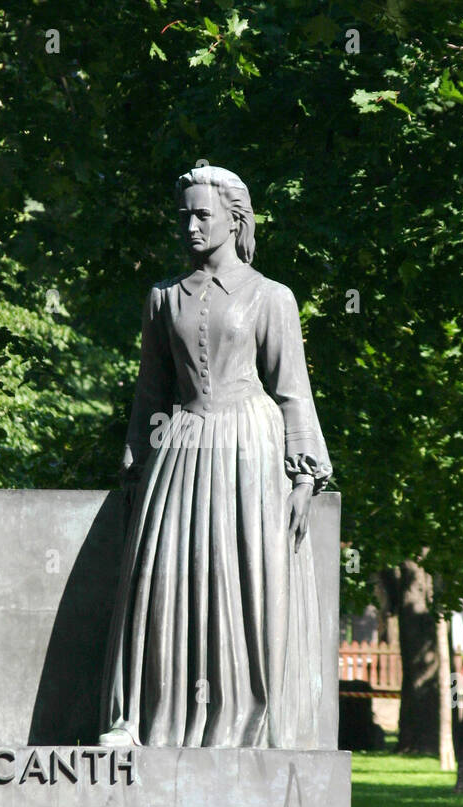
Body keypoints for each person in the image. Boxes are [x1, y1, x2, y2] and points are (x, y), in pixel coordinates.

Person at [99, 165, 332, 748]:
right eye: (185, 216)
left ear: (235, 219)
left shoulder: (271, 298)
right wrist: (134, 463)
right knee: (165, 578)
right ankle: (151, 717)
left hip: (250, 449)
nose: (192, 226)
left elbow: (292, 390)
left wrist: (304, 476)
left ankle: (240, 716)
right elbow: (150, 391)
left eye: (204, 215)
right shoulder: (162, 299)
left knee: (242, 578)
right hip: (181, 446)